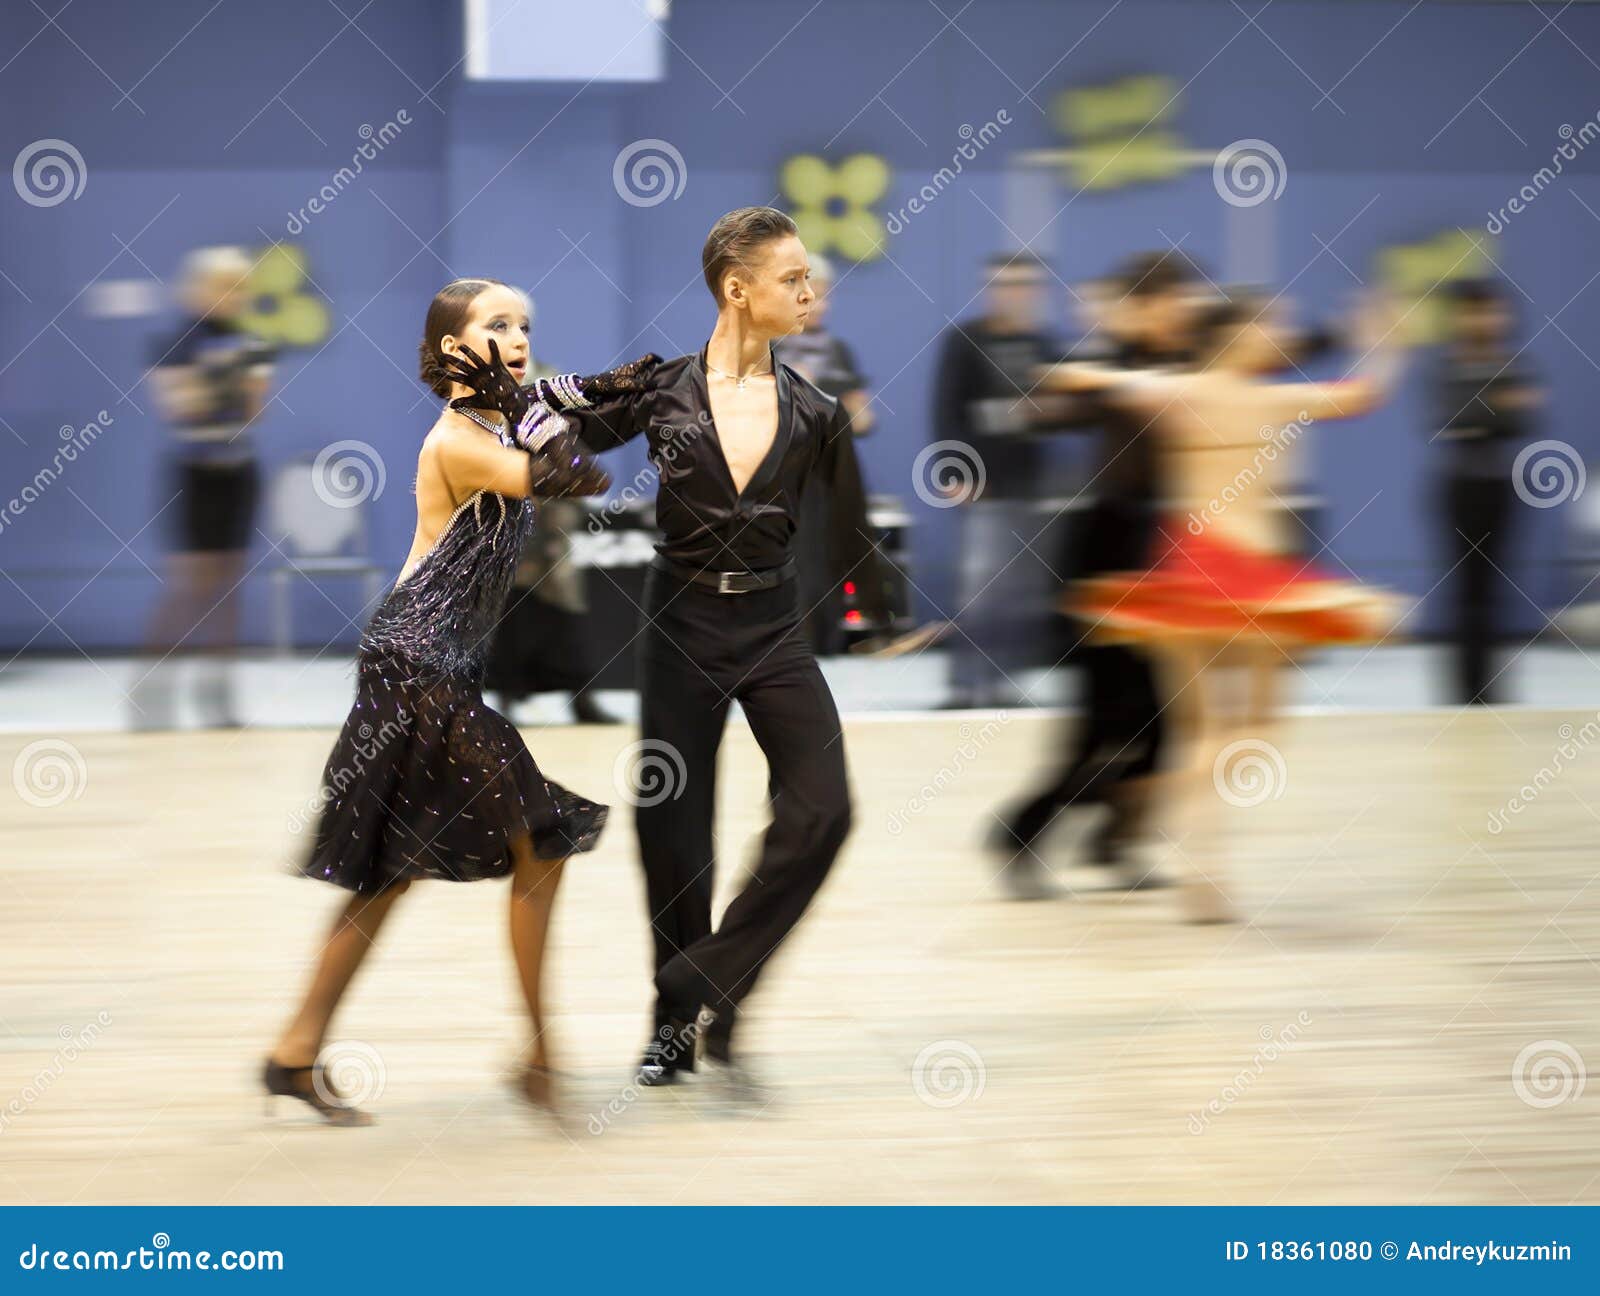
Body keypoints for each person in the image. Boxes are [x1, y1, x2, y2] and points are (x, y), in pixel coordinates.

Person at [453, 208, 890, 1094]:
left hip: (774, 630)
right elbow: (550, 428)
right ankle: (674, 1030)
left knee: (825, 811)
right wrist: (496, 393)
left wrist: (877, 617)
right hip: (680, 624)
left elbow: (849, 530)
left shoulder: (816, 413)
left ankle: (711, 980)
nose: (811, 292)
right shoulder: (662, 390)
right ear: (739, 290)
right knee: (674, 829)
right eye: (793, 278)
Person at [263, 278, 654, 1123]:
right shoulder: (462, 441)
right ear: (453, 351)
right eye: (499, 325)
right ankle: (541, 1057)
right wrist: (541, 402)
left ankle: (294, 1052)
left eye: (525, 324)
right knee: (540, 846)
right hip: (417, 669)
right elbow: (574, 476)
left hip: (440, 667)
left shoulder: (496, 417)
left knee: (387, 878)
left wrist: (624, 383)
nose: (519, 336)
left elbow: (569, 401)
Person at [1042, 290, 1403, 922]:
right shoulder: (1272, 399)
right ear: (1239, 334)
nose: (1280, 336)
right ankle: (1187, 844)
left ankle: (1199, 869)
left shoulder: (1186, 391)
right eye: (1271, 325)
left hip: (1185, 580)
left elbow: (1111, 380)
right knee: (1252, 731)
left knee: (1201, 734)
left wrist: (1076, 370)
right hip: (1248, 585)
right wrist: (1388, 337)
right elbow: (1367, 394)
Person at [992, 252, 1200, 898]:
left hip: (1160, 561)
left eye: (1186, 305)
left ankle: (1114, 840)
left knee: (1165, 724)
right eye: (1171, 304)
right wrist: (1072, 382)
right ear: (1141, 308)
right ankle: (1019, 835)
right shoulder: (1116, 367)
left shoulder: (1186, 367)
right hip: (1103, 562)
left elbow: (1268, 349)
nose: (1182, 315)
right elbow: (1041, 398)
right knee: (1100, 728)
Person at [129, 246, 276, 730]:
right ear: (198, 290)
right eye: (222, 286)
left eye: (240, 287)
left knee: (229, 586)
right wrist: (224, 387)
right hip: (194, 474)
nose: (232, 295)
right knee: (190, 585)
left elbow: (253, 410)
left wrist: (218, 388)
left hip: (239, 473)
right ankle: (150, 693)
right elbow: (182, 408)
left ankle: (218, 700)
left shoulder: (253, 342)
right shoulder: (175, 343)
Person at [931, 252, 1065, 708]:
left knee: (1019, 589)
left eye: (1024, 285)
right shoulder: (965, 341)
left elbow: (1064, 411)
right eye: (1005, 284)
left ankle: (1004, 682)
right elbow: (946, 409)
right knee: (978, 587)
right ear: (991, 290)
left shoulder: (1044, 344)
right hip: (981, 484)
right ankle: (967, 685)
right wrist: (953, 471)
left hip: (1028, 484)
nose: (1014, 293)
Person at [1430, 278, 1539, 704]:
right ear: (1459, 318)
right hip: (1459, 487)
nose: (1486, 319)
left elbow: (1522, 422)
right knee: (1464, 588)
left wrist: (1483, 409)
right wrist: (1497, 404)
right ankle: (1464, 690)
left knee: (1496, 586)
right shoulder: (1445, 365)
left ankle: (1493, 687)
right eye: (1475, 310)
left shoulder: (1514, 363)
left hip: (1502, 485)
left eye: (1493, 310)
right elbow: (1449, 419)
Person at [774, 252, 876, 654]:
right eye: (812, 293)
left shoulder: (838, 351)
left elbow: (864, 418)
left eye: (826, 294)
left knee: (827, 566)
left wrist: (829, 403)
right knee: (788, 569)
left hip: (828, 478)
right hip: (778, 482)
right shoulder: (764, 347)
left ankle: (825, 647)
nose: (820, 302)